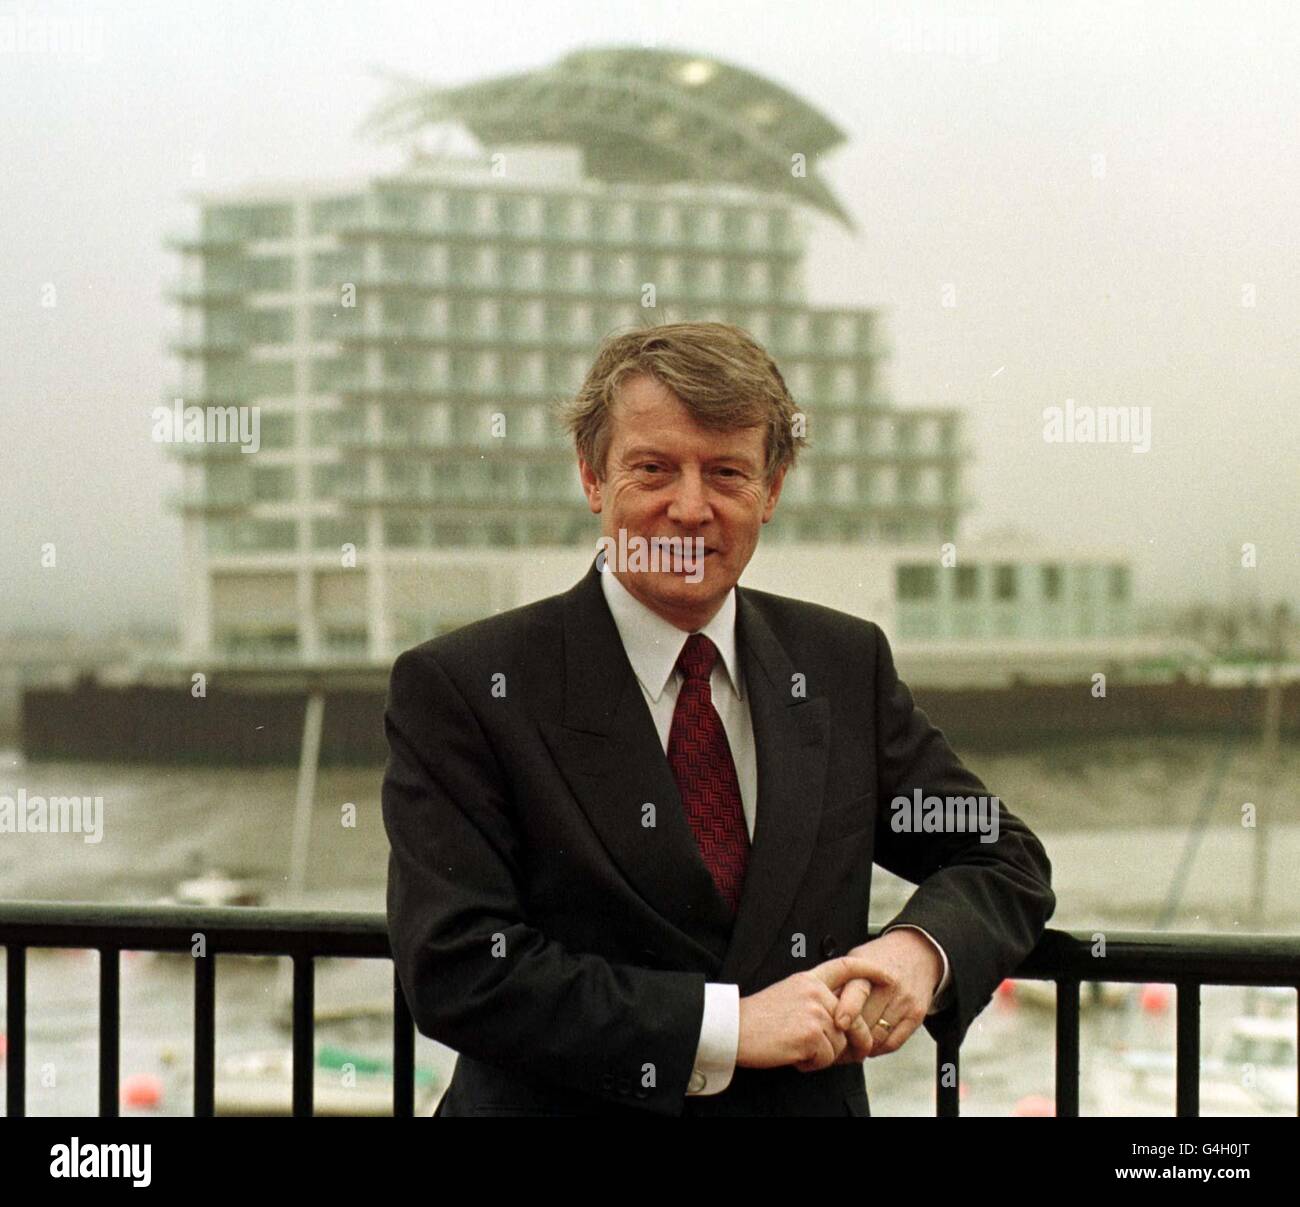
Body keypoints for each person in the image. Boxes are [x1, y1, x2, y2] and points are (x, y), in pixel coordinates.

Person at [382, 321, 1055, 1116]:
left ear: (770, 492)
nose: (691, 507)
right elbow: (458, 969)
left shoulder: (842, 666)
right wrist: (727, 1027)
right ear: (593, 478)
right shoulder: (467, 686)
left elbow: (1000, 854)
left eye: (728, 472)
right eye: (654, 468)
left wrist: (918, 952)